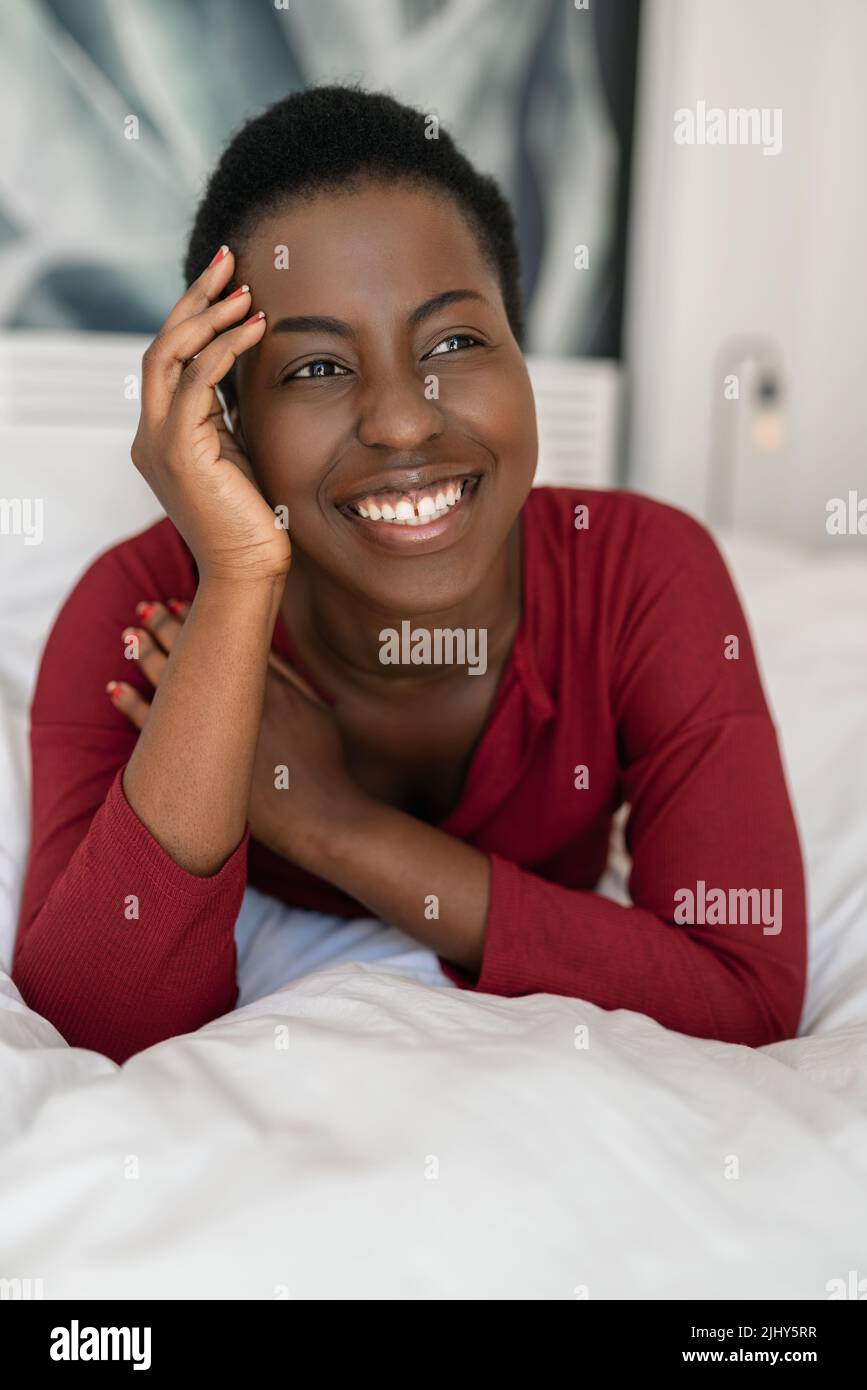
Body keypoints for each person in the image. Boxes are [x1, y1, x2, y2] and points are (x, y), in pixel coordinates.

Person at [12, 85, 807, 1065]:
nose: (401, 419)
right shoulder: (144, 612)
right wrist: (240, 577)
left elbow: (745, 995)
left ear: (524, 361)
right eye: (313, 369)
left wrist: (333, 823)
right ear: (231, 426)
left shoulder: (643, 570)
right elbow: (92, 1019)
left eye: (456, 343)